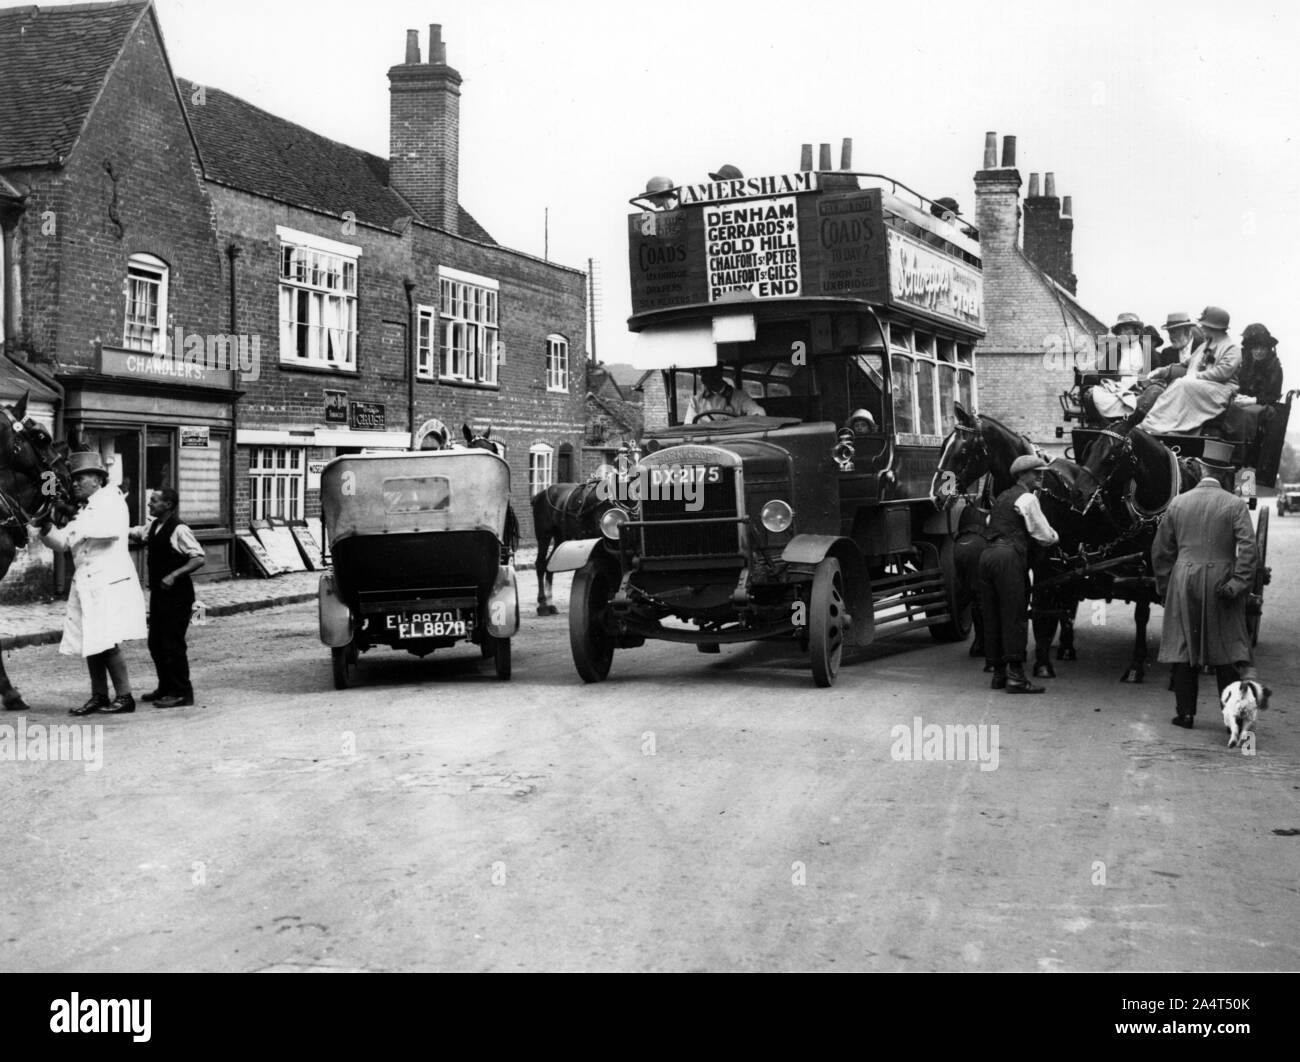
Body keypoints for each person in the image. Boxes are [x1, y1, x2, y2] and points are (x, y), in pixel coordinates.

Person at [39, 451, 147, 715]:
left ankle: (125, 696)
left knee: (108, 641)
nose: (75, 483)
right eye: (73, 479)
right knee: (92, 641)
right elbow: (63, 541)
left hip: (107, 581)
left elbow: (109, 531)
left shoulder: (112, 500)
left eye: (81, 478)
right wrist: (44, 528)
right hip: (87, 582)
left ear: (98, 479)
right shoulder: (87, 507)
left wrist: (75, 527)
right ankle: (99, 695)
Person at [1152, 474, 1256, 728]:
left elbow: (1161, 550)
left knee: (1184, 647)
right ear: (1224, 477)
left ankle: (1185, 714)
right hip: (1222, 581)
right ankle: (1232, 718)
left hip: (1184, 580)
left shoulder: (1178, 502)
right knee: (1227, 649)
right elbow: (1249, 548)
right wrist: (1238, 583)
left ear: (1200, 473)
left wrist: (1167, 587)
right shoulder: (1235, 504)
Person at [978, 454, 1060, 694]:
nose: (1041, 476)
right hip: (1008, 557)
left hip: (988, 555)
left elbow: (992, 522)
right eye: (1037, 473)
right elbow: (1044, 535)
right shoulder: (1028, 498)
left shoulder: (1002, 497)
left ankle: (998, 674)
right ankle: (1016, 677)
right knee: (1014, 614)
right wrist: (1058, 537)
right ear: (1022, 475)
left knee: (992, 615)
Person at [129, 487, 205, 708]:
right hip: (160, 594)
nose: (150, 504)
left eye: (154, 501)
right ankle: (165, 687)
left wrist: (174, 574)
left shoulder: (180, 529)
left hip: (178, 596)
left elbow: (199, 558)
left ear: (168, 505)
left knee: (173, 644)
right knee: (156, 643)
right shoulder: (153, 525)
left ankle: (182, 693)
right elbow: (137, 533)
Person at [1140, 306, 1240, 434]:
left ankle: (1154, 425)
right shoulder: (1204, 346)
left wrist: (1195, 377)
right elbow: (1185, 365)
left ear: (1214, 328)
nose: (1202, 328)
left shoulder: (1232, 348)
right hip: (1200, 388)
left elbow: (1223, 372)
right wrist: (1161, 371)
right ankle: (1156, 424)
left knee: (1182, 383)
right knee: (1178, 384)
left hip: (1221, 390)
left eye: (1205, 326)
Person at [952, 504, 990, 660]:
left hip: (960, 546)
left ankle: (979, 642)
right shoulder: (992, 508)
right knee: (983, 598)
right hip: (979, 543)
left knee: (973, 595)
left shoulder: (967, 508)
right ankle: (982, 643)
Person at [684, 365, 765, 423]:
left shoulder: (740, 396)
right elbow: (688, 426)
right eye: (703, 374)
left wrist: (749, 420)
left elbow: (758, 411)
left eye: (709, 373)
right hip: (706, 443)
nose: (703, 379)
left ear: (719, 373)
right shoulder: (696, 401)